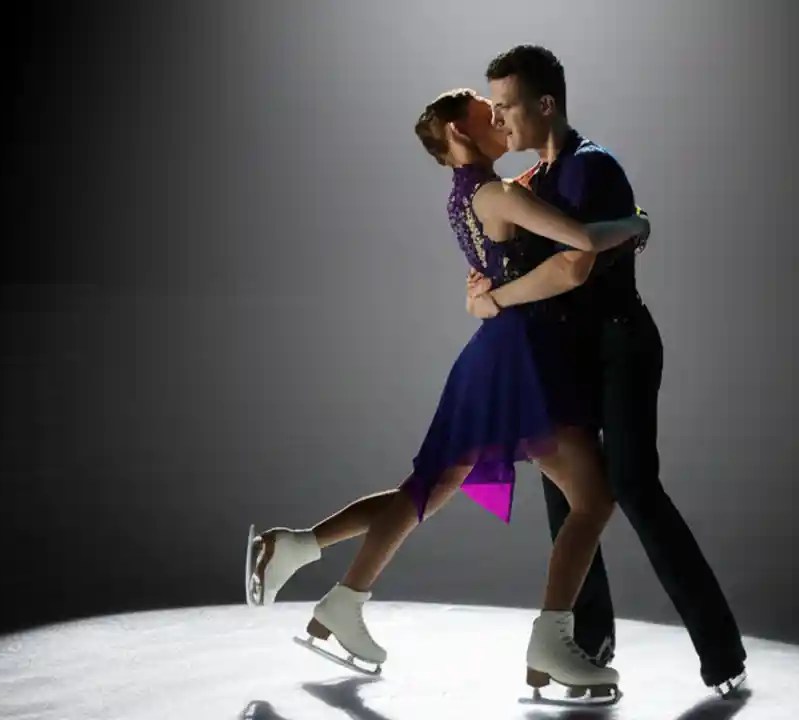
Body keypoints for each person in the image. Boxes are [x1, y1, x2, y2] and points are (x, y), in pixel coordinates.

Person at [243, 88, 649, 697]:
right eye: (490, 115)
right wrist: (636, 224)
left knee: (429, 488)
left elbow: (500, 263)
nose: (503, 120)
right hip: (515, 361)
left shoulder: (467, 193)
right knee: (588, 497)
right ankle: (549, 640)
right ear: (460, 133)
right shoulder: (498, 192)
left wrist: (483, 297)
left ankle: (315, 568)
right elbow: (579, 250)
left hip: (497, 356)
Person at [467, 44, 749, 696]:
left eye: (509, 105)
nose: (500, 118)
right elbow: (517, 267)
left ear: (546, 104)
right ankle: (582, 651)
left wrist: (500, 296)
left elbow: (577, 264)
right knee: (568, 497)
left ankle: (722, 652)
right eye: (494, 107)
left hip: (620, 345)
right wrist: (484, 287)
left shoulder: (592, 167)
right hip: (563, 355)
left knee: (633, 486)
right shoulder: (525, 186)